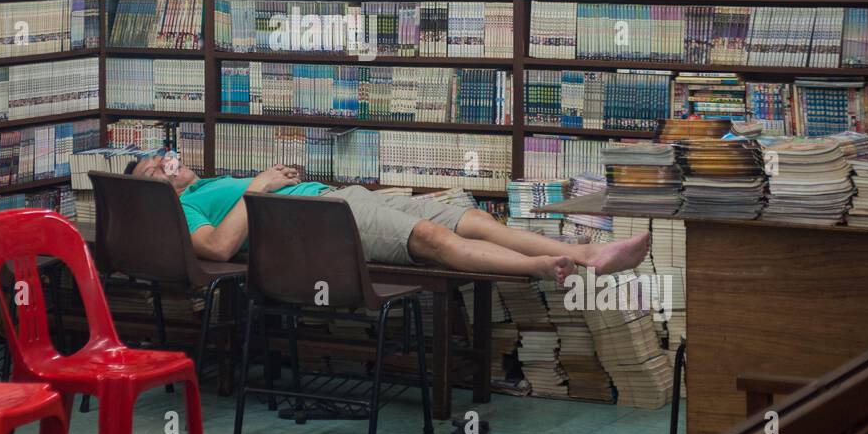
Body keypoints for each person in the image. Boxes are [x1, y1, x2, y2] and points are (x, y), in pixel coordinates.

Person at [126, 155, 650, 282]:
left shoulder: (208, 182)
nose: (169, 162)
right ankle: (543, 267)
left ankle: (586, 252)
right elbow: (217, 248)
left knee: (464, 216)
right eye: (157, 167)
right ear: (152, 190)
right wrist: (261, 186)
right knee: (429, 238)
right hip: (314, 222)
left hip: (337, 196)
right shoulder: (185, 208)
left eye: (165, 155)